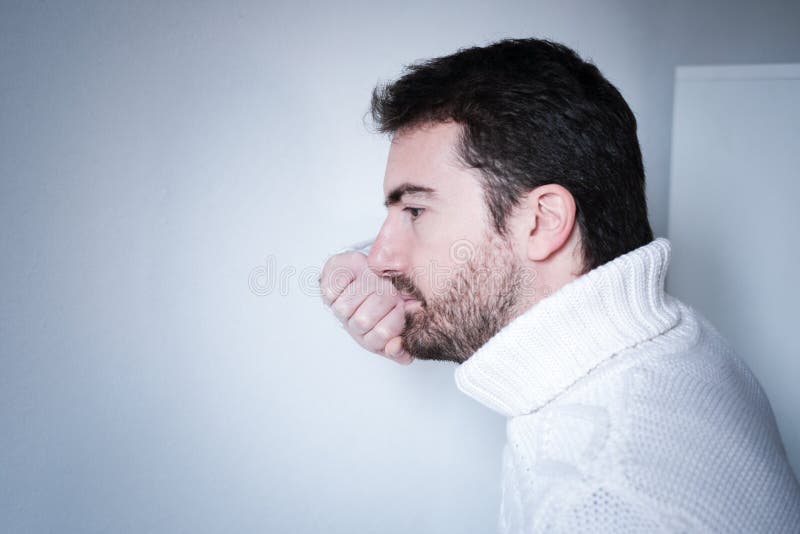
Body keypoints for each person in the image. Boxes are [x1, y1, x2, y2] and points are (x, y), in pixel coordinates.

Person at [319, 38, 800, 532]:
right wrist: (361, 267)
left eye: (415, 211)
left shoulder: (598, 500)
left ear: (544, 221)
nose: (379, 256)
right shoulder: (681, 341)